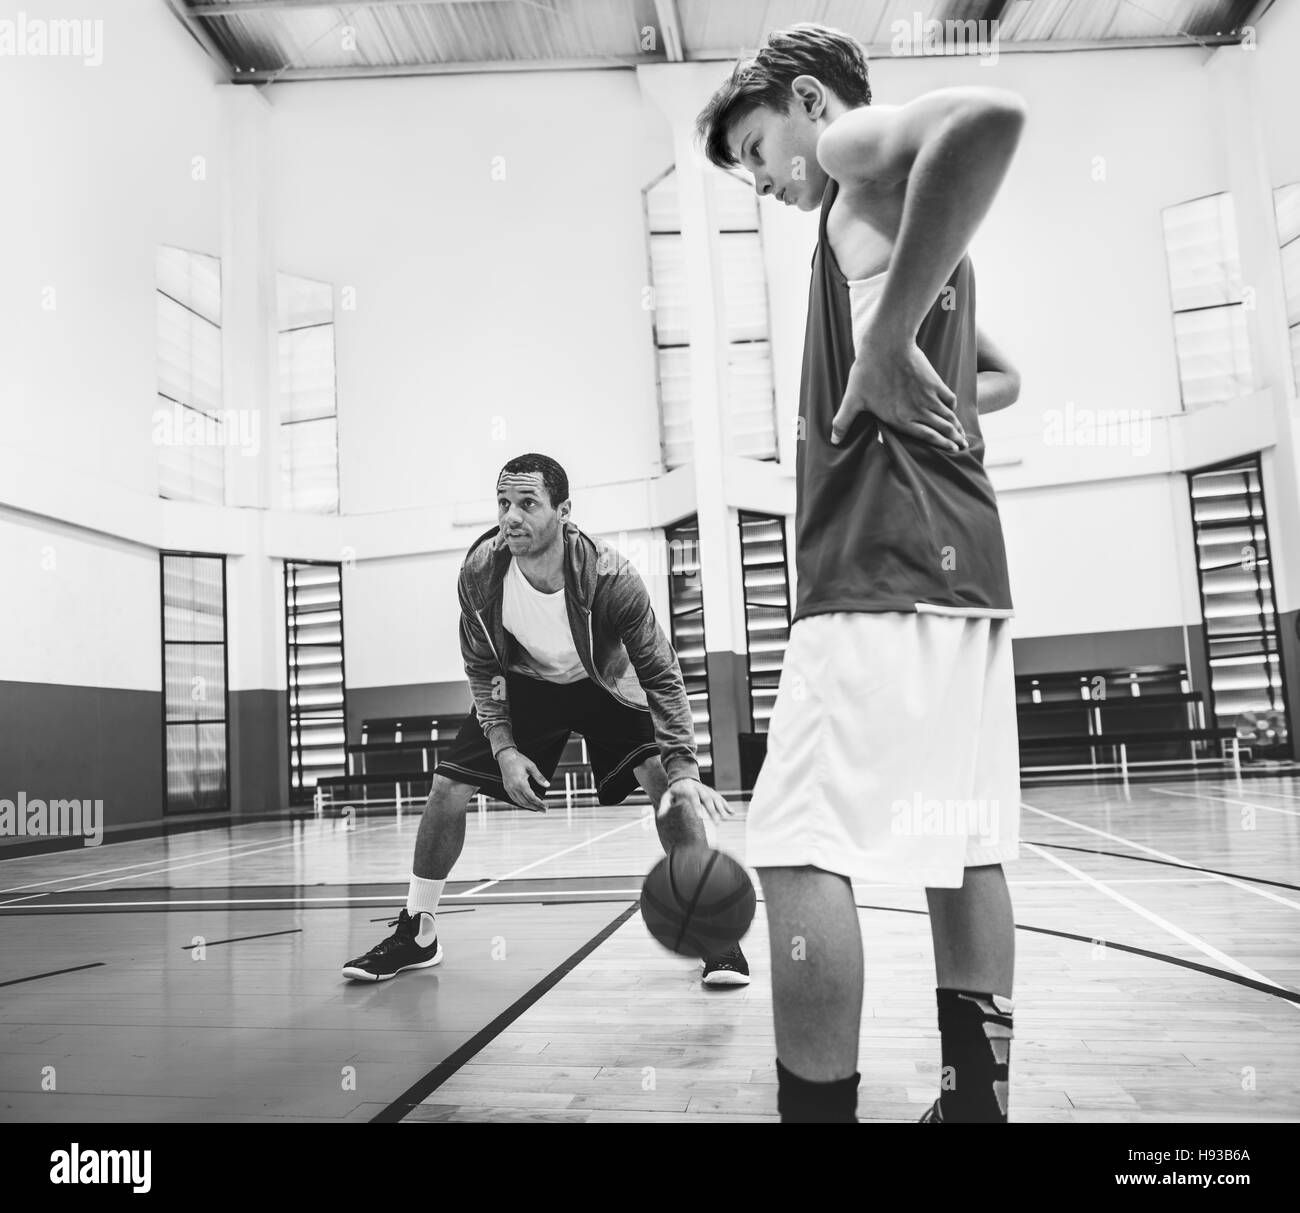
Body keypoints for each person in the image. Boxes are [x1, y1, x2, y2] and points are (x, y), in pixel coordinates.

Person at [696, 23, 1025, 1122]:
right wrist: (906, 343)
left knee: (792, 844)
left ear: (805, 101)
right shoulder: (912, 233)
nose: (756, 178)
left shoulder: (847, 166)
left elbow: (987, 119)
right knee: (961, 841)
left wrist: (883, 343)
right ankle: (972, 1107)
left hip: (879, 563)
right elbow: (1003, 373)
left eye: (753, 148)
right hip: (966, 566)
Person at [343, 453, 750, 987]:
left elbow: (662, 675)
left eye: (528, 503)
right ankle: (417, 932)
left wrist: (684, 770)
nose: (511, 516)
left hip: (603, 681)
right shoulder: (479, 573)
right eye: (504, 503)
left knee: (664, 785)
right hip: (527, 684)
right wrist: (506, 748)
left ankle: (714, 933)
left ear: (564, 511)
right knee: (447, 787)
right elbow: (482, 666)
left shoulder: (610, 575)